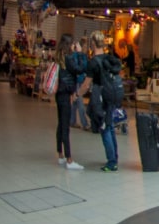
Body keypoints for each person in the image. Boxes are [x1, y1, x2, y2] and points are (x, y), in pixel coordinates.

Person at [86, 32, 124, 172]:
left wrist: (77, 94)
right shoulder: (110, 59)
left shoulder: (94, 62)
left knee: (105, 128)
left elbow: (87, 83)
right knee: (110, 126)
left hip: (101, 98)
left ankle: (112, 161)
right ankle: (114, 157)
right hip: (112, 95)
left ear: (93, 44)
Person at [53, 35, 86, 170]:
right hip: (66, 94)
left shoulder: (59, 56)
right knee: (65, 126)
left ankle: (60, 154)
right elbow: (80, 69)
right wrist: (80, 53)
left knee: (61, 123)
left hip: (59, 93)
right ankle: (69, 159)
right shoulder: (69, 58)